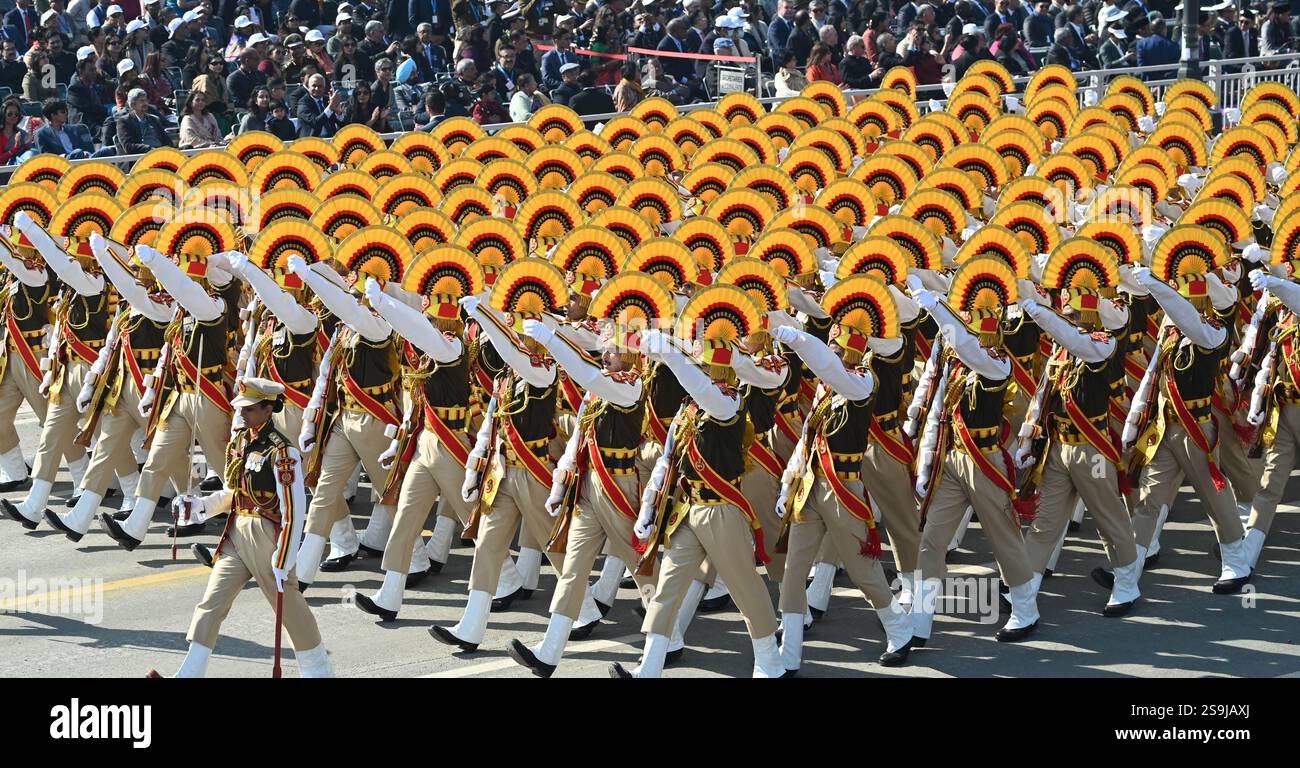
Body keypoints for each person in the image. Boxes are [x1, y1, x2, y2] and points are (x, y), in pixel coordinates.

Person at [146, 378, 335, 679]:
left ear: (268, 408)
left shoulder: (283, 453)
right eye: (241, 408)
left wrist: (284, 556)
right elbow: (231, 492)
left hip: (267, 535)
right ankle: (189, 674)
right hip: (237, 532)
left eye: (249, 408)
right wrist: (198, 507)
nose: (242, 414)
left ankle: (319, 672)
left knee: (290, 610)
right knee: (211, 602)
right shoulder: (240, 443)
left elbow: (294, 510)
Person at [906, 259, 1043, 650]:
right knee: (932, 540)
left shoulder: (995, 361)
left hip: (983, 459)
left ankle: (1025, 608)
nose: (972, 323)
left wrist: (931, 303)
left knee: (1003, 538)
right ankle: (920, 618)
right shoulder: (954, 352)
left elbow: (965, 346)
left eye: (980, 317)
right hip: (951, 459)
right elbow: (933, 396)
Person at [32, 98, 113, 158]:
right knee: (78, 152)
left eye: (66, 111)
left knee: (106, 150)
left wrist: (85, 153)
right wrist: (64, 156)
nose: (66, 114)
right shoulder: (41, 133)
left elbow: (83, 149)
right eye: (63, 112)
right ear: (53, 115)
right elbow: (46, 157)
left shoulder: (71, 130)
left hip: (82, 157)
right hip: (64, 163)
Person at [114, 88, 172, 152]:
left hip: (160, 155)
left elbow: (168, 142)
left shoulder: (154, 119)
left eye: (146, 100)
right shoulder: (124, 122)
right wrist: (150, 149)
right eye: (141, 101)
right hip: (141, 158)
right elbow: (128, 146)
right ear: (133, 105)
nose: (145, 103)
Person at [297, 73, 344, 138]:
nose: (317, 89)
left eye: (320, 86)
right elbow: (315, 123)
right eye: (314, 86)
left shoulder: (328, 100)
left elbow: (344, 125)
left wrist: (339, 113)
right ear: (308, 87)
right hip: (312, 141)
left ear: (324, 88)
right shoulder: (303, 103)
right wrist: (330, 108)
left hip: (331, 140)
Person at [226, 47, 267, 114]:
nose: (259, 62)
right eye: (256, 59)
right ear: (247, 61)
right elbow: (236, 100)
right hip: (245, 111)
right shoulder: (233, 78)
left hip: (263, 109)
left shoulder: (261, 75)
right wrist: (255, 104)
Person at [0, 97, 29, 174]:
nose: (13, 116)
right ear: (3, 114)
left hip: (20, 170)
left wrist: (27, 144)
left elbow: (26, 155)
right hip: (4, 171)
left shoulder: (22, 133)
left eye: (16, 114)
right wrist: (15, 147)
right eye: (10, 114)